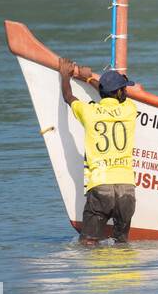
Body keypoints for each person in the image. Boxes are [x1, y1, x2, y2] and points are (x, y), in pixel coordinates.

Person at [58, 58, 137, 244]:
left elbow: (69, 97)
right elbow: (110, 94)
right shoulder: (130, 110)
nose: (126, 91)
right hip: (127, 190)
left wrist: (65, 77)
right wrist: (89, 79)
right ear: (119, 93)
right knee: (122, 244)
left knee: (88, 244)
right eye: (124, 89)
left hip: (101, 187)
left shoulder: (89, 113)